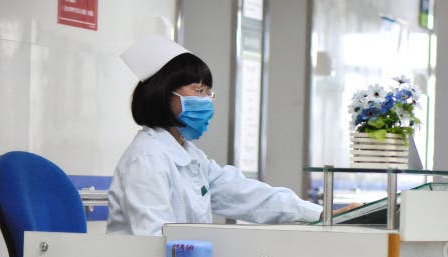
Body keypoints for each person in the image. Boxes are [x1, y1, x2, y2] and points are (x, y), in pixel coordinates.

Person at [108, 35, 329, 236]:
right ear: (163, 93)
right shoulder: (148, 158)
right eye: (198, 91)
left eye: (208, 92)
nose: (205, 101)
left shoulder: (191, 157)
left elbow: (246, 196)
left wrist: (319, 214)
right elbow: (153, 238)